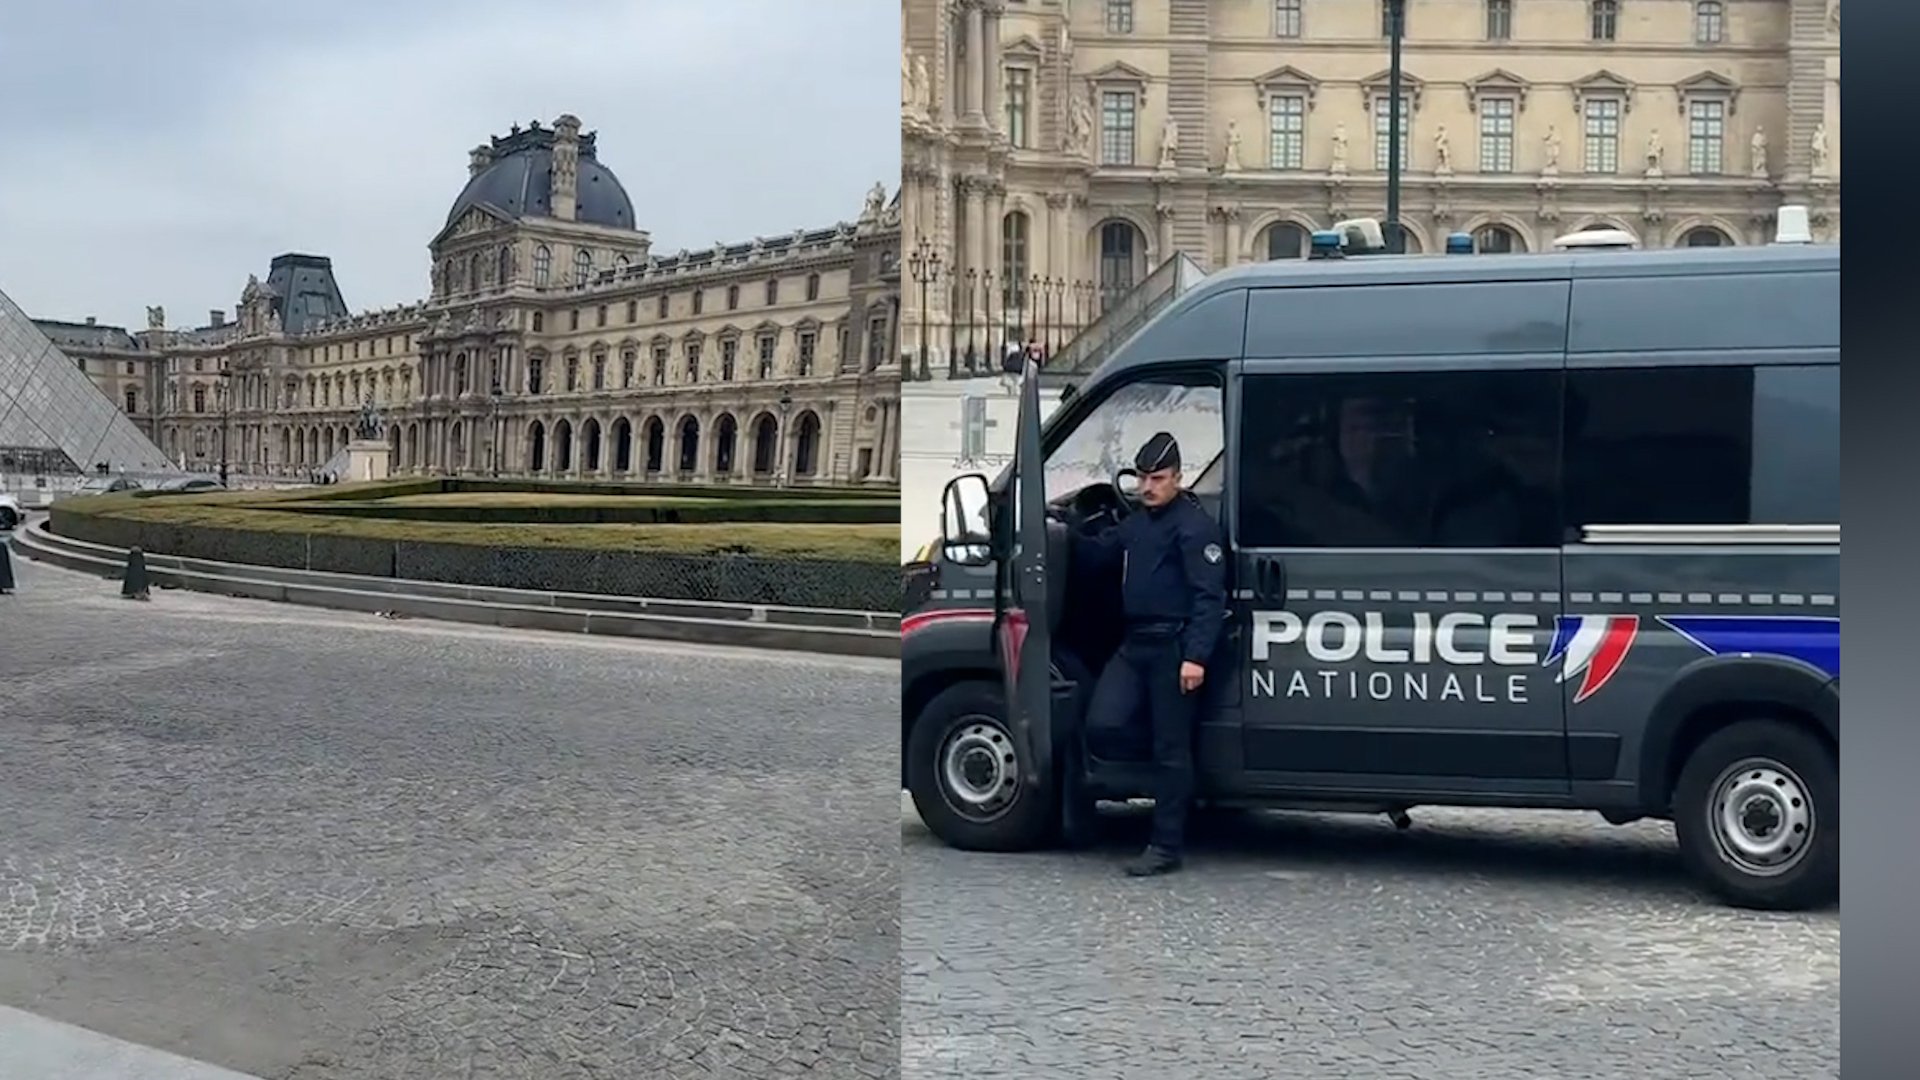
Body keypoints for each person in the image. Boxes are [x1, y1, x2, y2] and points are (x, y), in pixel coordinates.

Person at [1072, 432, 1227, 876]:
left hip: (1174, 646)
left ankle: (1165, 846)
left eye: (1157, 478)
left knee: (1172, 750)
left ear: (1178, 477)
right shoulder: (1139, 522)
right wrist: (1060, 533)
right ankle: (1156, 787)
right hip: (1135, 642)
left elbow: (1208, 598)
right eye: (1142, 478)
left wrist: (1195, 657)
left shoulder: (1195, 527)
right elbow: (1101, 555)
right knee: (1103, 721)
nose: (1147, 487)